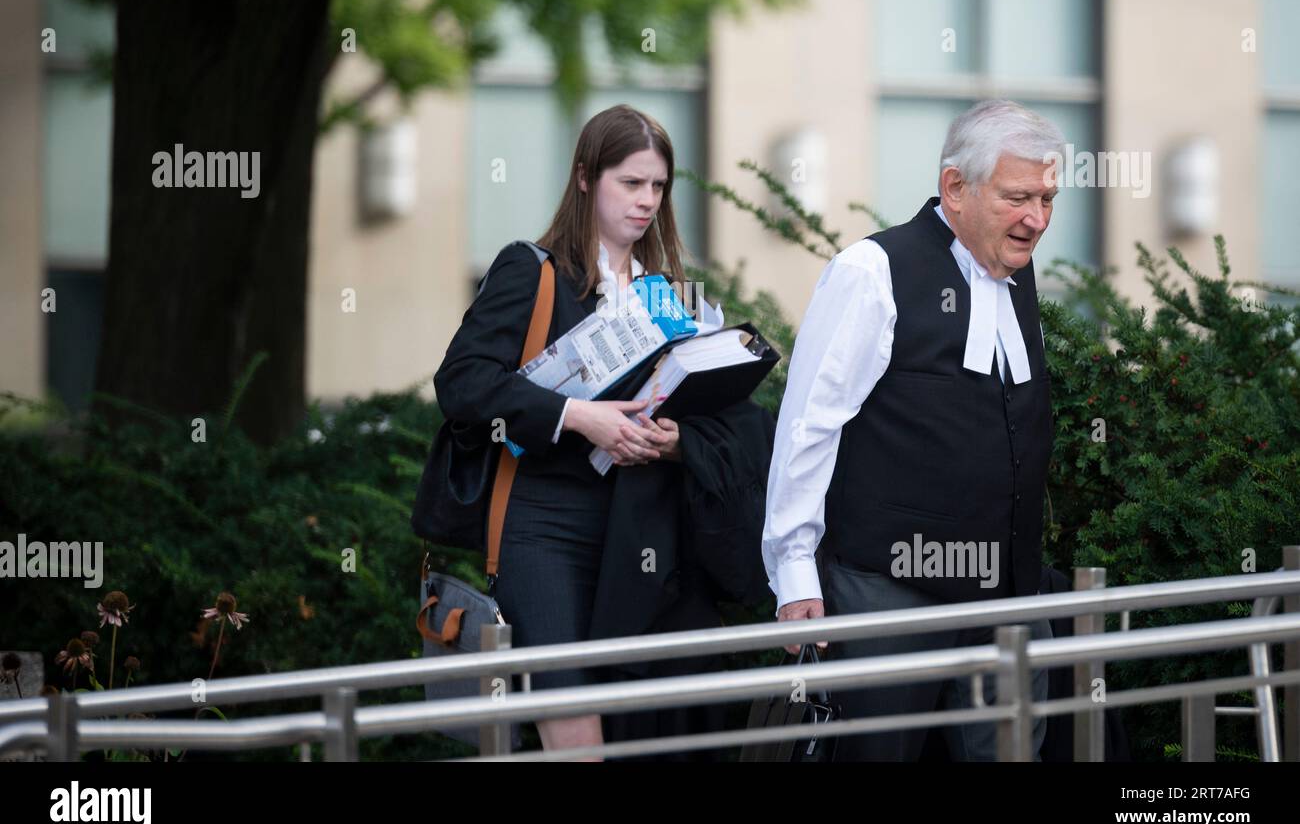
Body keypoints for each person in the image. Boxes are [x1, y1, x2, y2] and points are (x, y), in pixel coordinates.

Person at [433, 104, 773, 760]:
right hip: (542, 525)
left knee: (642, 729)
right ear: (585, 178)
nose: (647, 200)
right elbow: (463, 383)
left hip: (640, 530)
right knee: (575, 729)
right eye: (630, 182)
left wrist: (675, 440)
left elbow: (707, 414)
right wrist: (578, 416)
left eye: (658, 186)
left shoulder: (672, 301)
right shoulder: (531, 272)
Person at [762, 99, 1060, 761]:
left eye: (1047, 197)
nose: (1037, 219)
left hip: (1007, 593)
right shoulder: (870, 270)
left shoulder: (1017, 271)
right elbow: (809, 425)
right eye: (1018, 197)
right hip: (887, 590)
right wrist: (794, 572)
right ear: (956, 187)